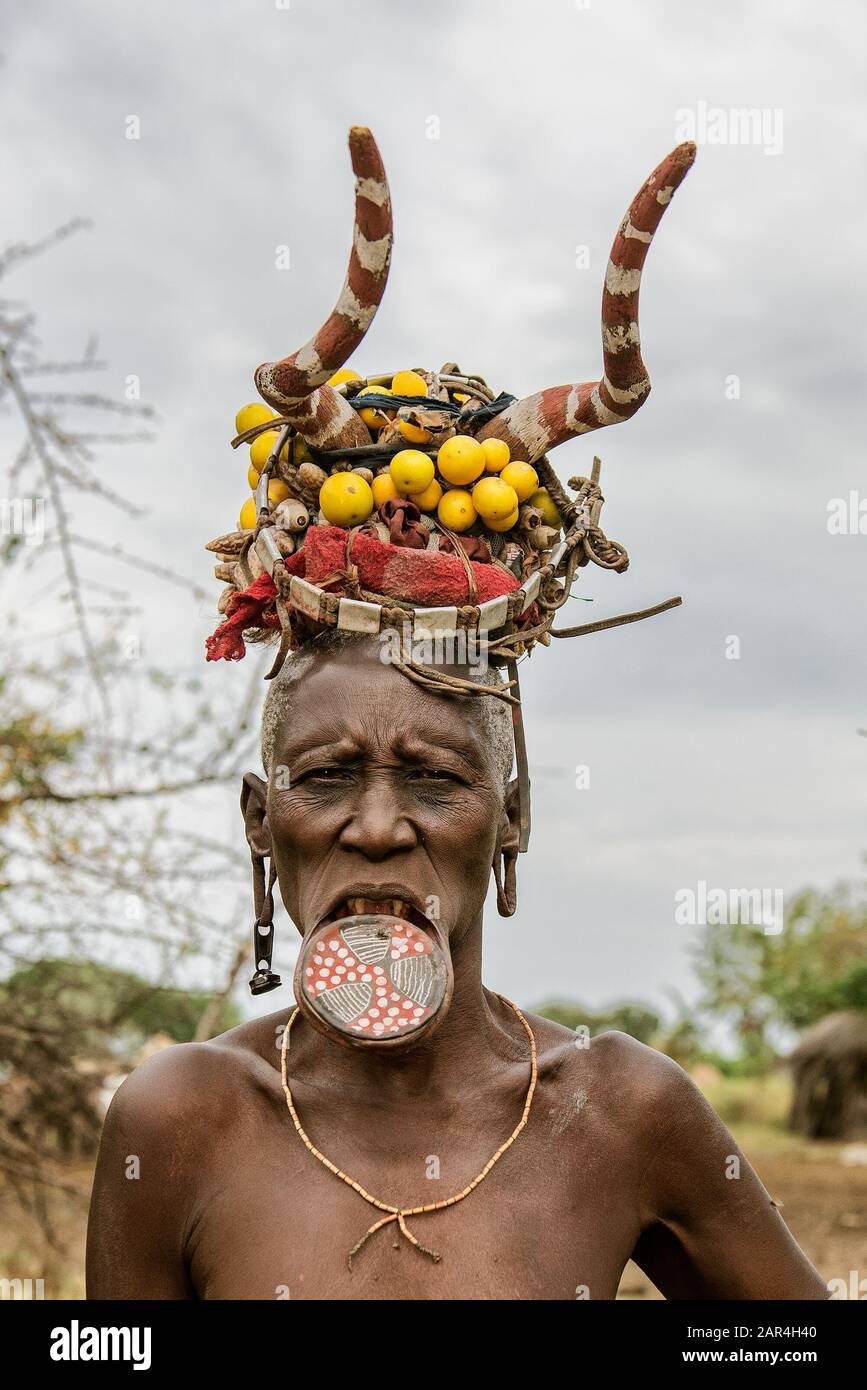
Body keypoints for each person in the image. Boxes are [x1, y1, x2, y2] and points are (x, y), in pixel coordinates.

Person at [86, 127, 827, 1299]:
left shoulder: (624, 1114)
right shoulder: (177, 1126)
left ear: (513, 812)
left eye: (436, 777)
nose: (379, 826)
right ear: (258, 818)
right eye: (326, 775)